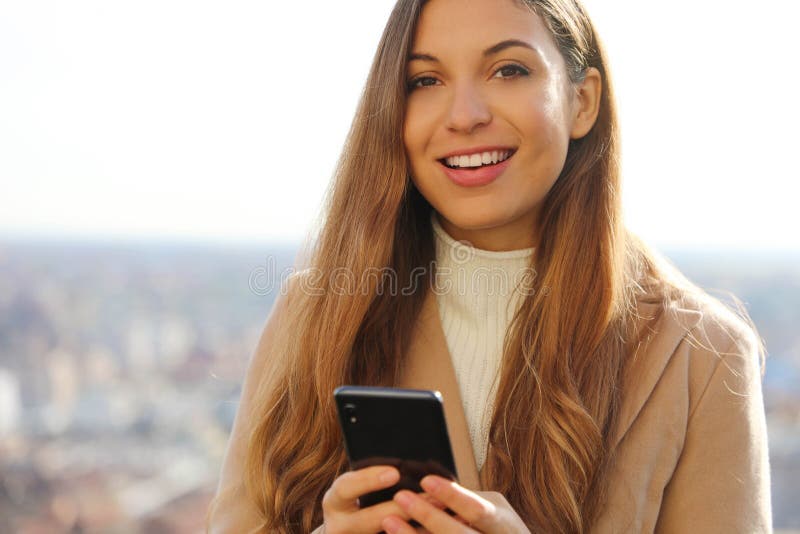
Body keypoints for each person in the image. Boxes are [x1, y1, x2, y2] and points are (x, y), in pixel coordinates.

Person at [206, 0, 772, 532]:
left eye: (508, 70)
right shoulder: (316, 312)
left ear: (582, 101)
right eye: (425, 80)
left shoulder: (702, 356)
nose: (465, 116)